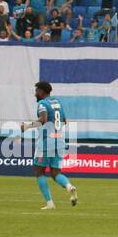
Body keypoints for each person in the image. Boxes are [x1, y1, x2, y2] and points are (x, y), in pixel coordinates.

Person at [22, 81, 77, 209]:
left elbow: (43, 119)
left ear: (41, 91)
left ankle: (50, 203)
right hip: (60, 141)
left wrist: (27, 127)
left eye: (36, 91)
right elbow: (65, 120)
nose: (35, 93)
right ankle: (69, 187)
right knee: (55, 173)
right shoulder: (57, 102)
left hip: (47, 142)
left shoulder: (42, 104)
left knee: (39, 172)